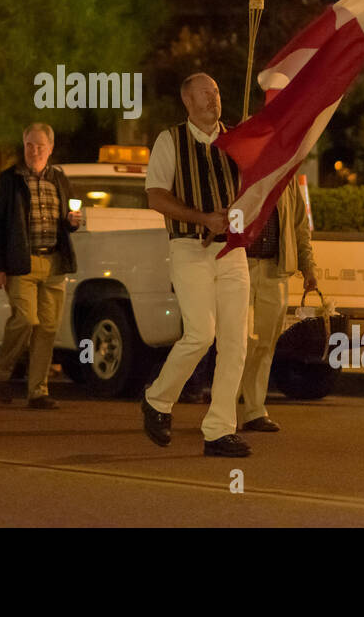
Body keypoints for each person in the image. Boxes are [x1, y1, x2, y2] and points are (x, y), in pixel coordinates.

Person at [141, 73, 252, 457]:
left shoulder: (238, 140)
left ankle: (219, 430)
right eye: (205, 93)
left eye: (217, 91)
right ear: (187, 100)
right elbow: (155, 196)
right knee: (201, 334)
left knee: (236, 342)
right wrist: (203, 218)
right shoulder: (170, 140)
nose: (213, 98)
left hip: (231, 250)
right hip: (190, 248)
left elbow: (256, 189)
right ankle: (157, 399)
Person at [238, 78, 317, 432]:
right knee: (237, 341)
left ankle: (254, 410)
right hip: (238, 268)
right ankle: (225, 410)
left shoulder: (285, 177)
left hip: (273, 270)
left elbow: (300, 227)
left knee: (265, 342)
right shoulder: (233, 176)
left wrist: (308, 269)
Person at [0, 123, 80, 409]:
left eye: (40, 145)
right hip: (21, 263)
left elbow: (67, 219)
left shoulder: (60, 180)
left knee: (48, 327)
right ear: (23, 145)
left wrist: (73, 221)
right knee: (26, 319)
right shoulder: (9, 180)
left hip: (54, 261)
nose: (34, 150)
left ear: (50, 148)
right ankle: (0, 372)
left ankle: (37, 391)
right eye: (29, 144)